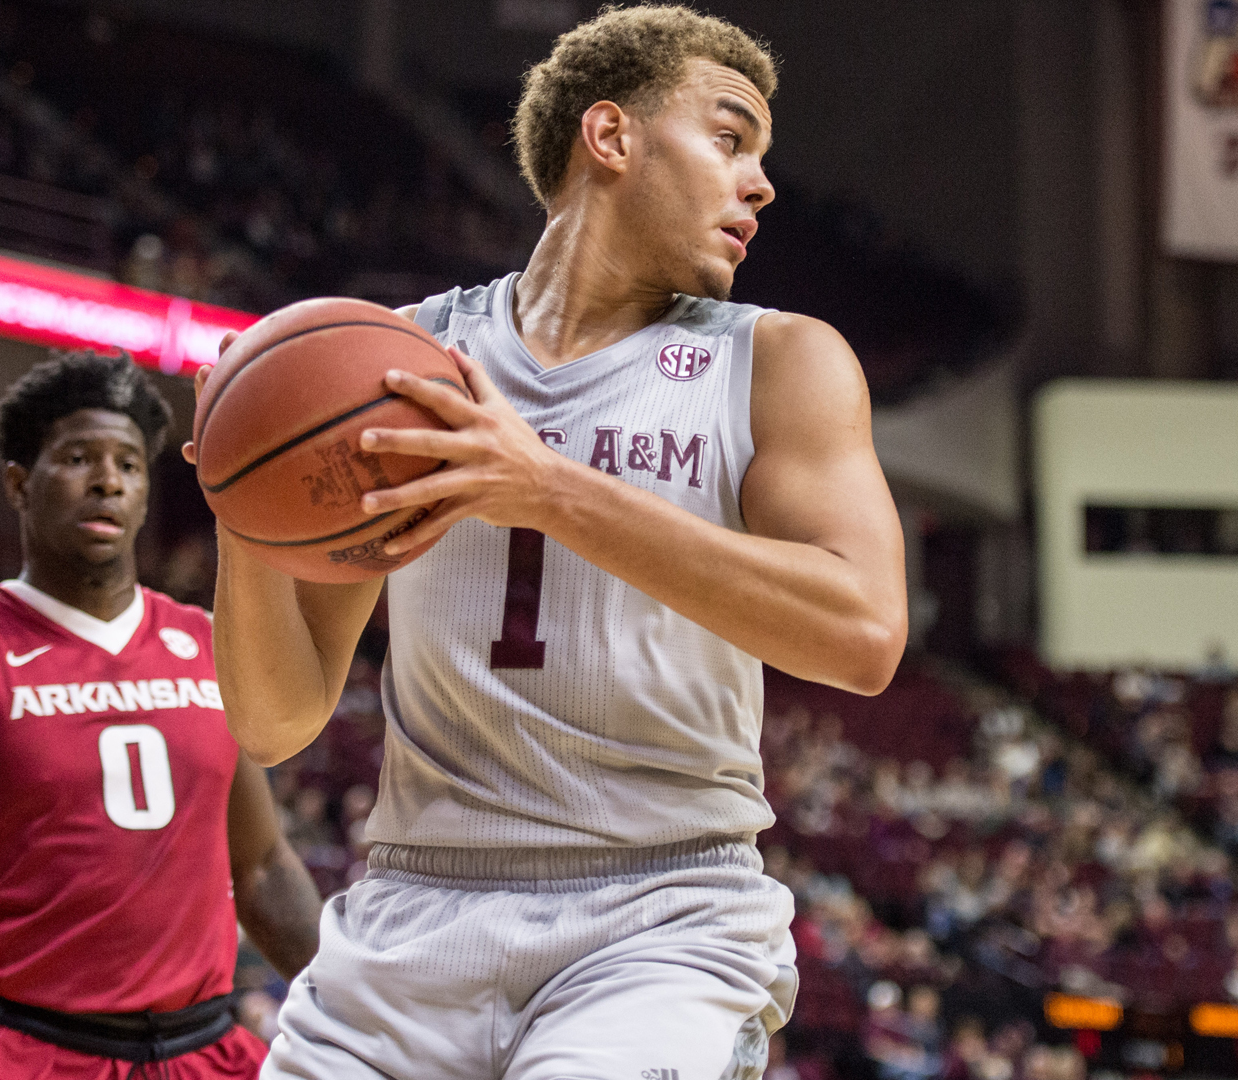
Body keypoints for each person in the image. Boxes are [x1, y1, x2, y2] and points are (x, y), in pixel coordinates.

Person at [188, 7, 907, 1078]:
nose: (759, 183)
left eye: (761, 157)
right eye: (728, 137)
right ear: (610, 137)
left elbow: (864, 633)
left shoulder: (780, 363)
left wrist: (550, 490)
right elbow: (275, 719)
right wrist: (244, 513)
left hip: (659, 915)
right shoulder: (404, 362)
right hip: (410, 914)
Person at [0, 352, 324, 1079]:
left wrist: (355, 1000)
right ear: (20, 482)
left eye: (128, 463)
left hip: (206, 1052)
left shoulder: (211, 642)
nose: (107, 480)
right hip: (27, 1049)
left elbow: (266, 868)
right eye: (79, 457)